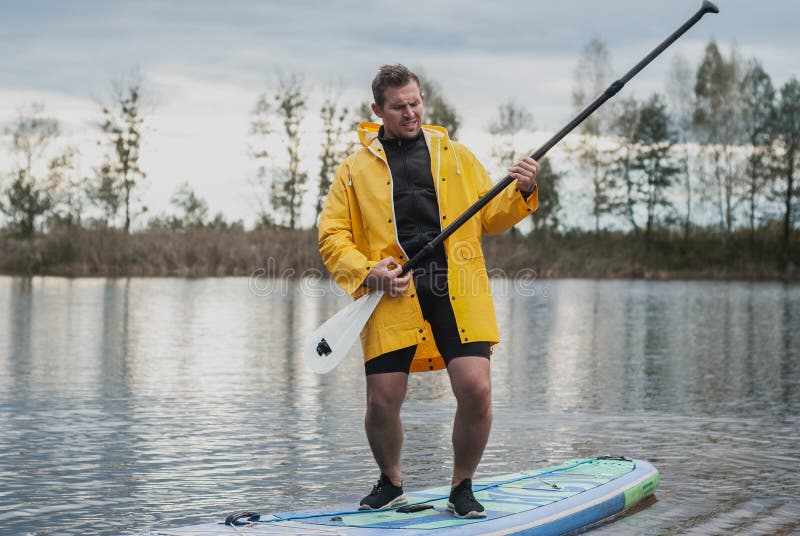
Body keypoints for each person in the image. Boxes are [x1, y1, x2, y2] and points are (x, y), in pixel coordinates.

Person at [317, 64, 539, 519]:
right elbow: (332, 235)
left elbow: (493, 215)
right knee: (381, 401)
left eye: (416, 102)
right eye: (399, 106)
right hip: (391, 294)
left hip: (457, 288)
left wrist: (524, 188)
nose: (410, 112)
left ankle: (462, 487)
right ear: (377, 110)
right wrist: (368, 270)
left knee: (475, 389)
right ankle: (391, 482)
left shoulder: (455, 155)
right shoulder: (354, 170)